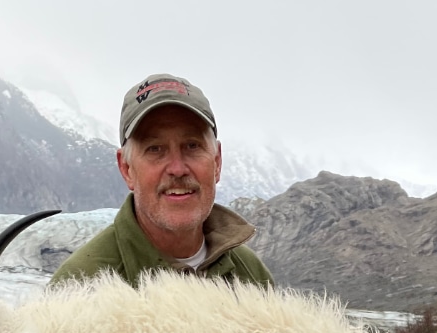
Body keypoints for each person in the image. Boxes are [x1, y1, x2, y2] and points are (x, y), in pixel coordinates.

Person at [51, 74, 272, 288]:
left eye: (192, 145)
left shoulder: (251, 275)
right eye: (155, 149)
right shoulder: (80, 287)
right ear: (126, 169)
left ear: (217, 162)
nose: (177, 169)